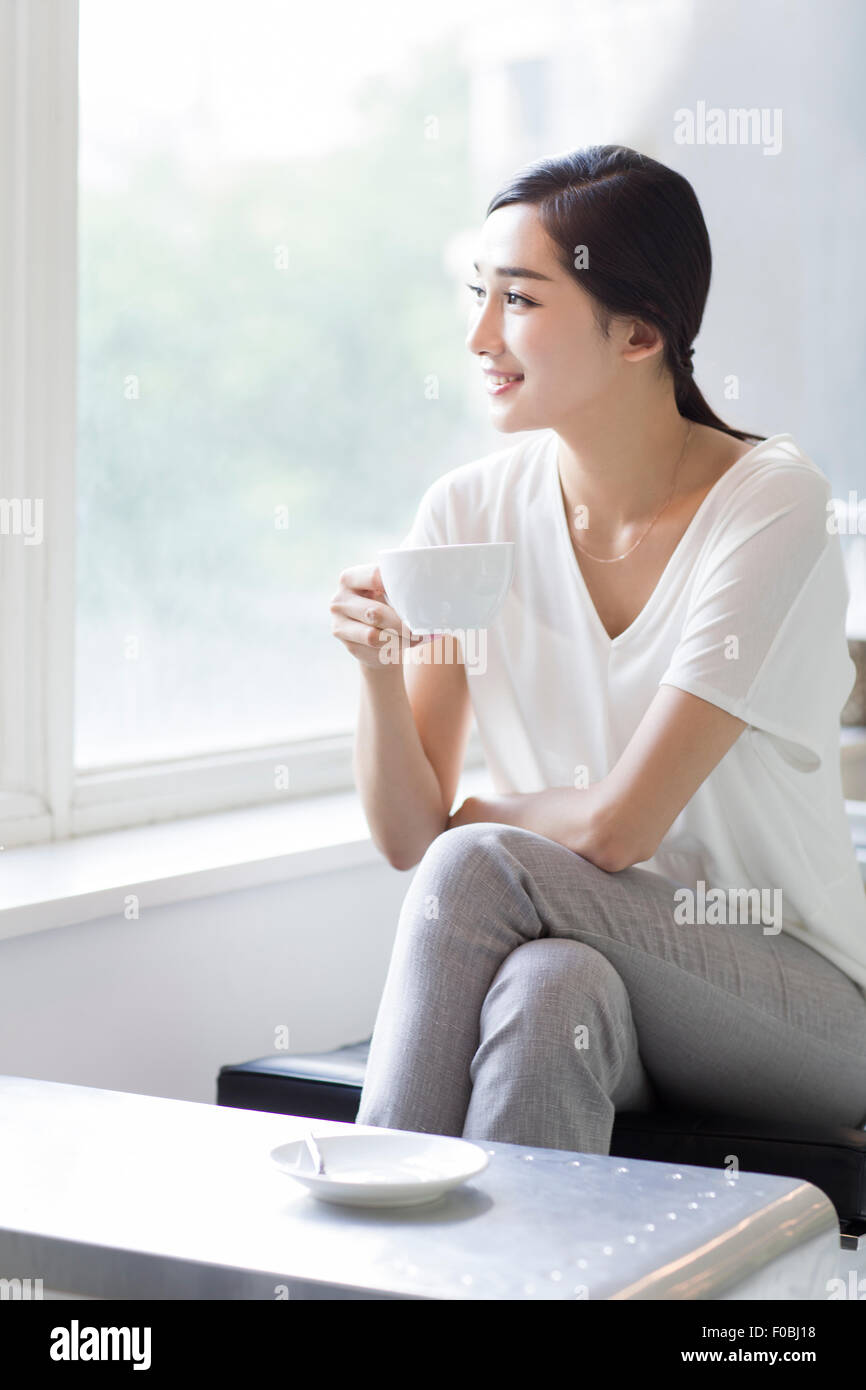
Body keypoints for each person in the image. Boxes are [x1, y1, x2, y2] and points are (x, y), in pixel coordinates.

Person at [330, 145, 866, 1151]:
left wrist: (477, 819)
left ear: (637, 333)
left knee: (482, 864)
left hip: (798, 1006)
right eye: (477, 295)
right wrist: (374, 671)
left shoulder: (769, 503)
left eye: (520, 301)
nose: (480, 334)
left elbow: (619, 828)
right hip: (599, 967)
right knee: (545, 986)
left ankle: (361, 1228)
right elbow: (410, 836)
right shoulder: (465, 511)